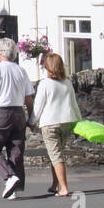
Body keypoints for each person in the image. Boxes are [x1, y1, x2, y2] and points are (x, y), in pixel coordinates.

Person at [0, 37, 35, 199]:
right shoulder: (21, 71)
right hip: (19, 112)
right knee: (15, 150)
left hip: (1, 112)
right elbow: (29, 97)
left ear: (0, 53)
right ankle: (13, 188)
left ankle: (9, 176)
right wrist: (31, 117)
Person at [30, 52, 81, 196]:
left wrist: (31, 122)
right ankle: (55, 184)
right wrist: (79, 120)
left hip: (50, 123)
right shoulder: (67, 83)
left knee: (56, 155)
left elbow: (38, 106)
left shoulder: (45, 84)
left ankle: (64, 188)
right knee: (56, 153)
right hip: (66, 122)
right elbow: (74, 104)